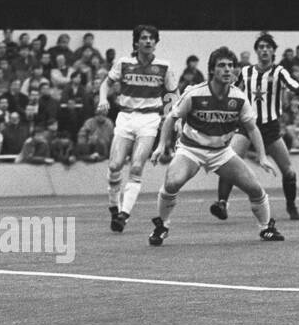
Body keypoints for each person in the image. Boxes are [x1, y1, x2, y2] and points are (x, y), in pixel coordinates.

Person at [147, 47, 284, 246]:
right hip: (191, 149)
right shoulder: (194, 94)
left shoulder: (238, 97)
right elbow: (171, 118)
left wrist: (262, 156)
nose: (227, 70)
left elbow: (252, 128)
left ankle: (266, 228)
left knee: (255, 188)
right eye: (222, 65)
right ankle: (162, 226)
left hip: (221, 152)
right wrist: (160, 147)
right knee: (172, 183)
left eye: (231, 66)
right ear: (212, 70)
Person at [213, 33, 299, 221]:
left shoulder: (279, 71)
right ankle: (222, 203)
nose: (264, 50)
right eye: (261, 47)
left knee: (288, 170)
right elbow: (232, 89)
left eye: (268, 47)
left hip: (270, 127)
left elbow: (294, 86)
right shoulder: (246, 72)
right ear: (256, 51)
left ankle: (291, 206)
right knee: (228, 162)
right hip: (247, 125)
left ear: (273, 51)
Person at [95, 25, 177, 233]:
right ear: (136, 42)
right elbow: (106, 83)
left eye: (152, 38)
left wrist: (173, 115)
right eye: (144, 38)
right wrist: (103, 99)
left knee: (137, 167)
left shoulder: (164, 67)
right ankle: (114, 206)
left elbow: (172, 95)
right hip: (125, 116)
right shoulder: (123, 63)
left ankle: (124, 215)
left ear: (156, 42)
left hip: (150, 119)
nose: (148, 41)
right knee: (114, 166)